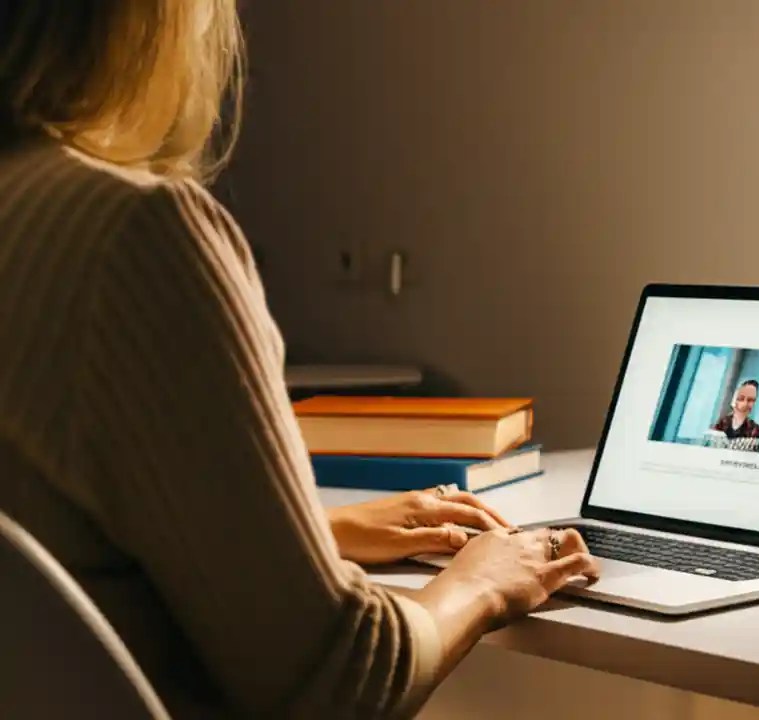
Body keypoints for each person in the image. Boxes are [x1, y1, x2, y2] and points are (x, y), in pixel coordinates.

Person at [0, 2, 599, 717]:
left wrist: (301, 540)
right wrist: (484, 581)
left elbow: (59, 543)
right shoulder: (131, 235)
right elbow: (341, 679)